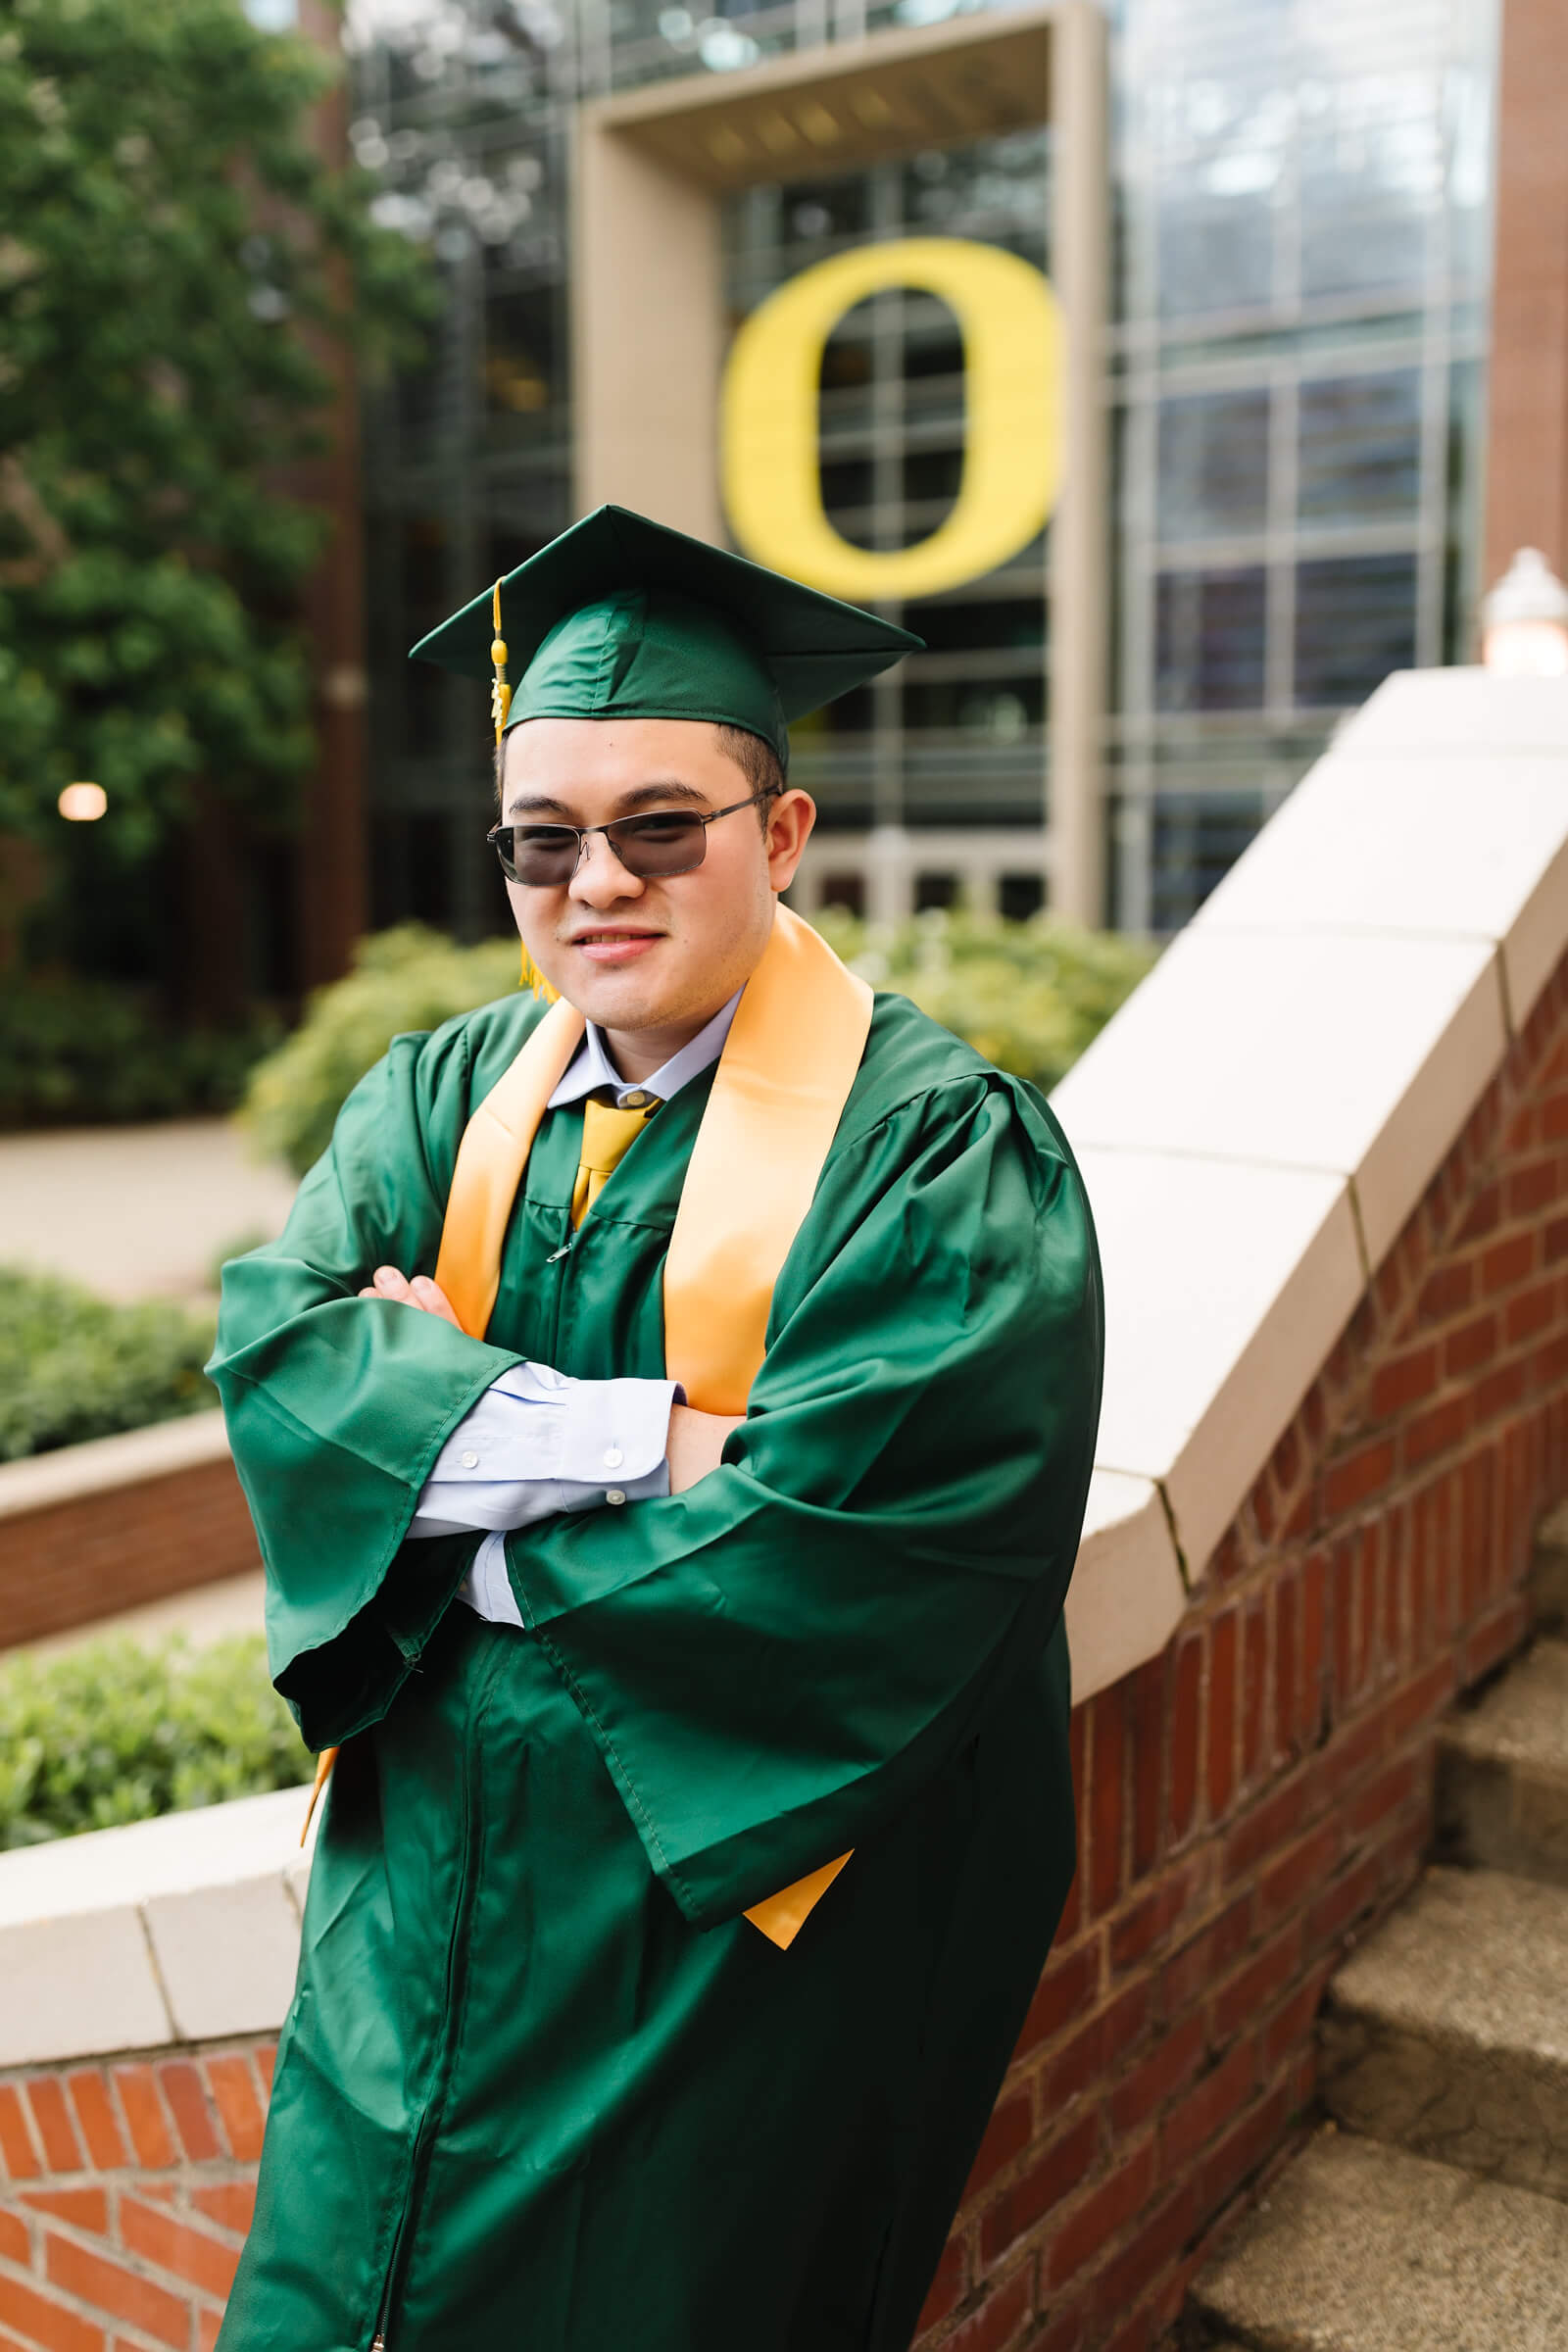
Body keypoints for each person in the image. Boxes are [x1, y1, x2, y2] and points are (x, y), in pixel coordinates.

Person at [209, 504, 1102, 2352]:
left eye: (657, 828)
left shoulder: (930, 1153)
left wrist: (450, 1489)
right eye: (545, 840)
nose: (593, 883)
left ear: (780, 835)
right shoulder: (441, 1091)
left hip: (716, 1937)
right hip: (414, 1895)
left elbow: (863, 1542)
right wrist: (657, 1442)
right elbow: (286, 1359)